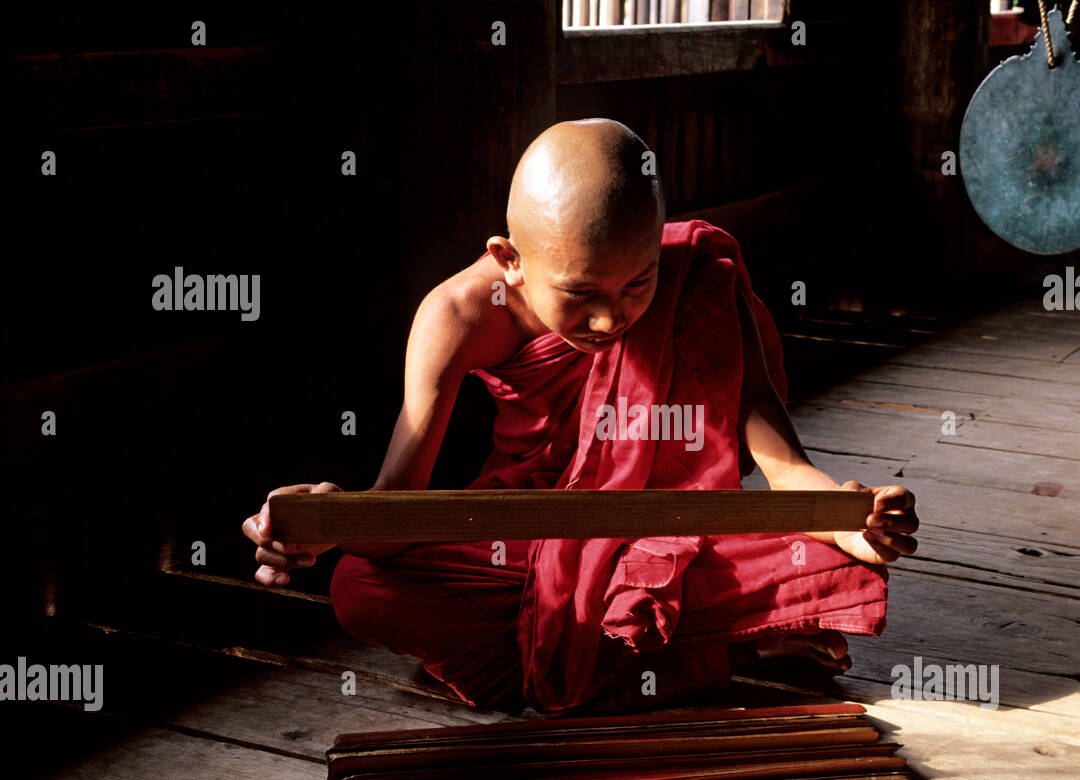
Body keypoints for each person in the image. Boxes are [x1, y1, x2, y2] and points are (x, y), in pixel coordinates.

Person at [242, 118, 919, 715]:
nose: (609, 319)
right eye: (580, 292)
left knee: (838, 566)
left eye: (638, 283)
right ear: (509, 259)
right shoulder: (456, 317)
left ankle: (593, 649)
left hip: (661, 528)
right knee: (360, 587)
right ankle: (706, 646)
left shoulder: (698, 278)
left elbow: (783, 467)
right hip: (519, 530)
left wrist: (848, 522)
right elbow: (395, 515)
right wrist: (332, 521)